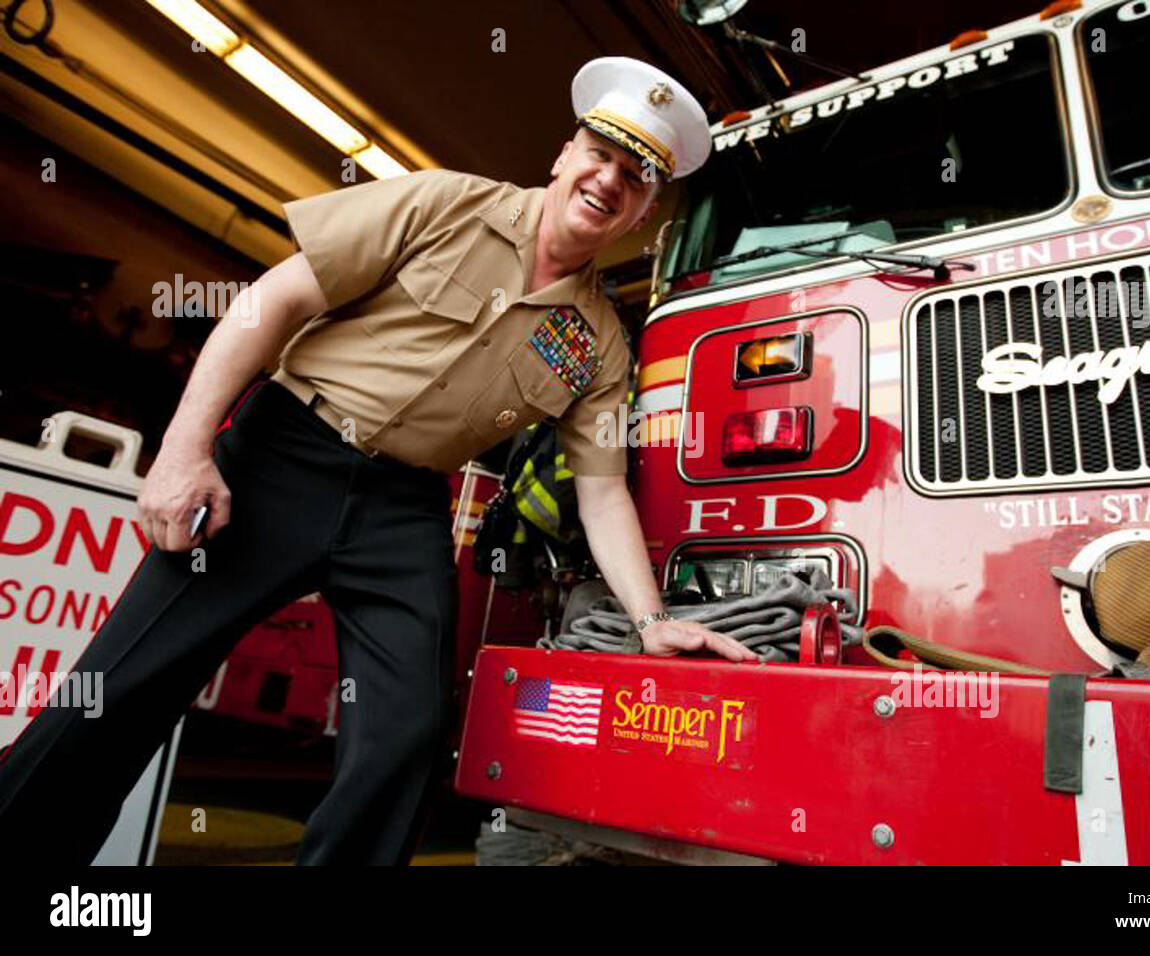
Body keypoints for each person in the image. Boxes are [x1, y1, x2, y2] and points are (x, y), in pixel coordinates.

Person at [0, 56, 756, 866]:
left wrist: (650, 623)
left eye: (634, 176)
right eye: (600, 153)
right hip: (282, 454)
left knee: (408, 732)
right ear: (563, 156)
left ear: (643, 211)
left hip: (402, 507)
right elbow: (273, 300)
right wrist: (185, 447)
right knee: (121, 692)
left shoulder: (601, 344)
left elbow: (604, 490)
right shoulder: (444, 203)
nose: (609, 179)